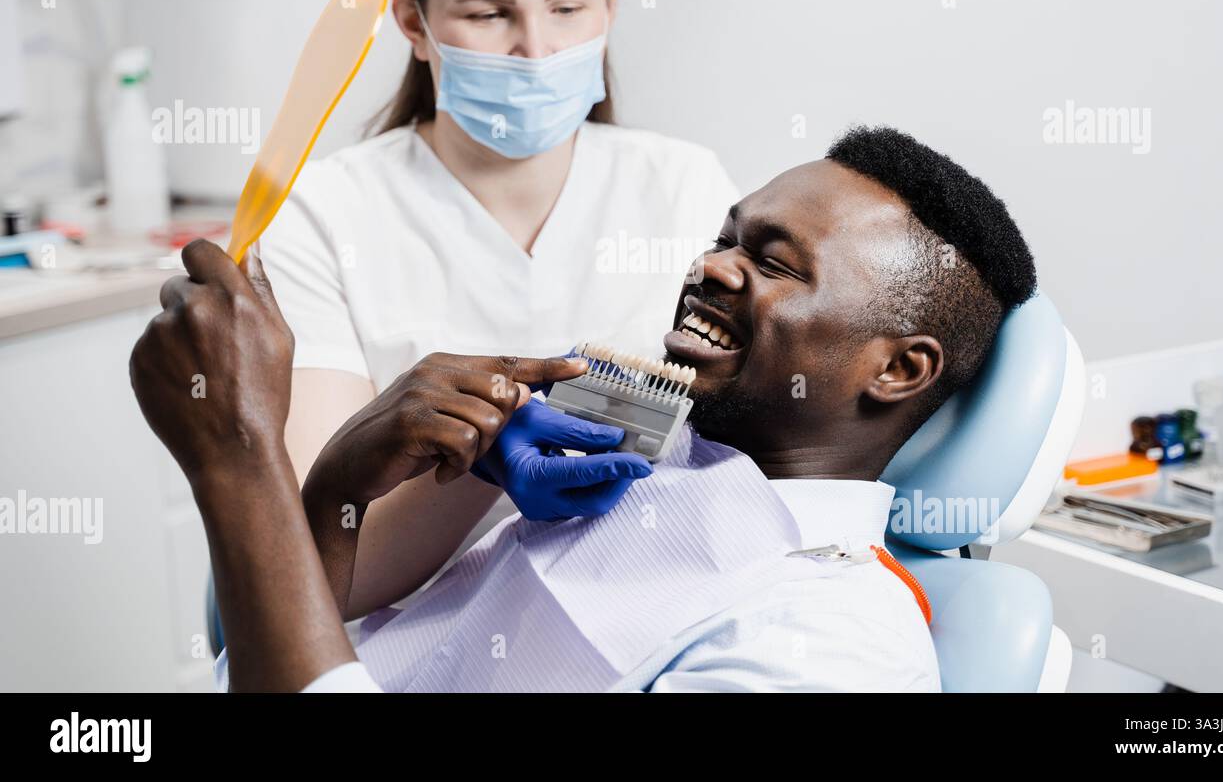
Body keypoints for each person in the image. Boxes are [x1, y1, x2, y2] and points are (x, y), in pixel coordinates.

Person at [130, 126, 1037, 692]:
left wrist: (238, 454)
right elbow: (332, 622)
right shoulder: (629, 422)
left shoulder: (827, 641)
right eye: (725, 237)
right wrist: (344, 478)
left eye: (775, 262)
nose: (712, 267)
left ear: (899, 368)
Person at [261, 0, 738, 620]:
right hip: (414, 639)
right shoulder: (321, 215)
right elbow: (321, 561)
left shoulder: (687, 189)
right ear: (414, 23)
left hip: (643, 610)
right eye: (490, 14)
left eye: (569, 6)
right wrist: (475, 461)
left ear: (611, 2)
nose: (538, 52)